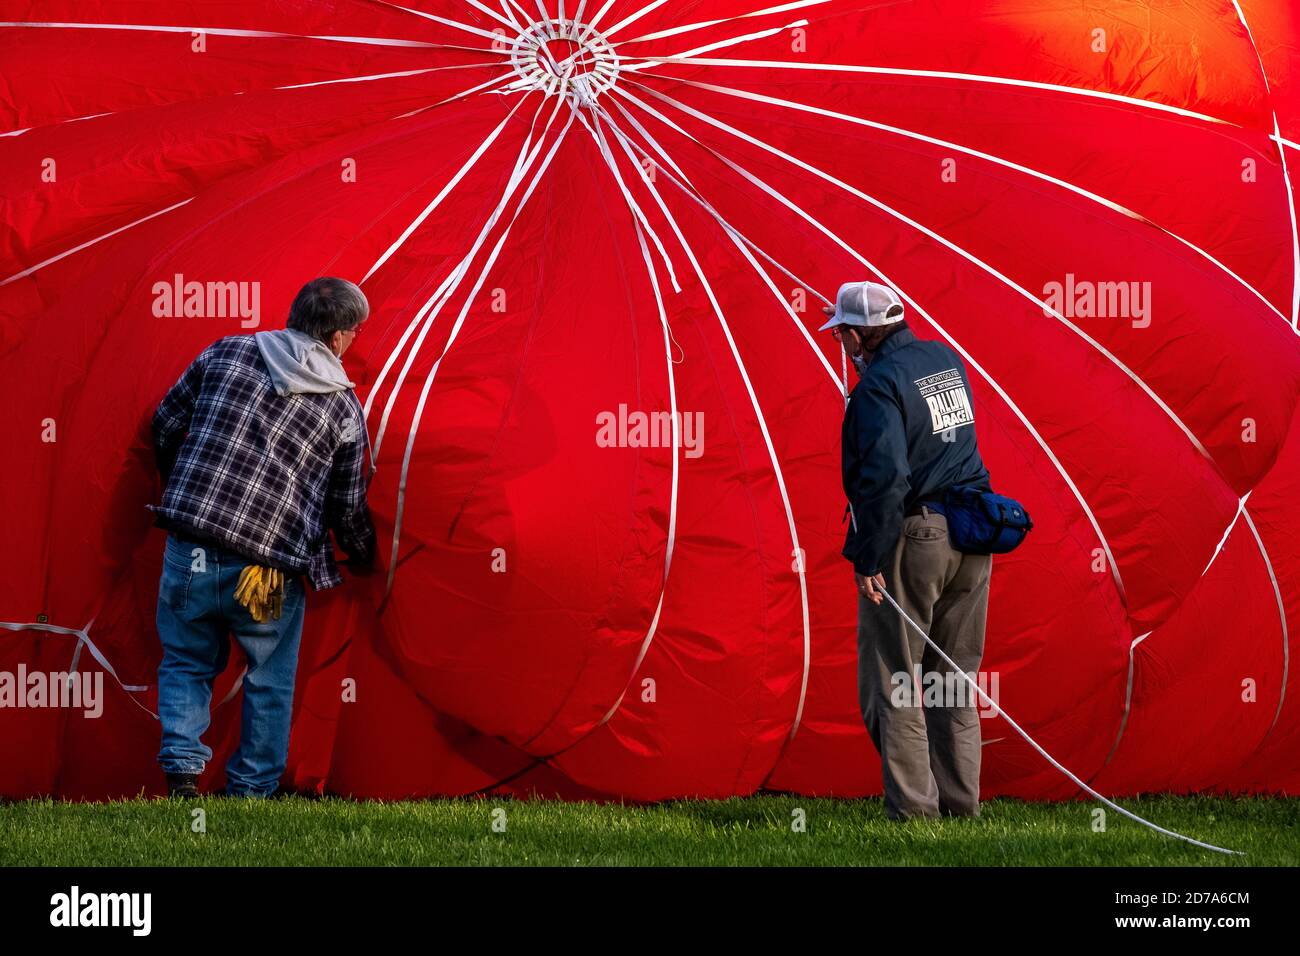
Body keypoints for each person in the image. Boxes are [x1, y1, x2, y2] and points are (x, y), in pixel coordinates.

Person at [148, 276, 376, 798]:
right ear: (339, 338)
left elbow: (163, 424)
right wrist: (365, 558)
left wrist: (185, 488)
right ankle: (251, 791)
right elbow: (345, 506)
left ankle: (182, 769)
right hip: (266, 568)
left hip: (192, 544)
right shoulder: (342, 407)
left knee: (186, 658)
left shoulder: (226, 351)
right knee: (267, 677)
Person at [820, 281, 993, 820]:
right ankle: (961, 806)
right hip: (973, 532)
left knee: (894, 680)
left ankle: (916, 814)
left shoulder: (876, 387)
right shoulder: (943, 357)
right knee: (954, 680)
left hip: (917, 537)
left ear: (860, 334)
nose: (841, 344)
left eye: (843, 333)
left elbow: (885, 479)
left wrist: (868, 558)